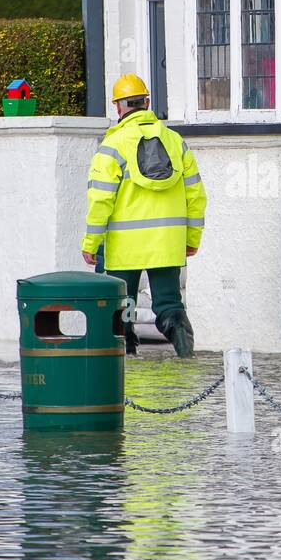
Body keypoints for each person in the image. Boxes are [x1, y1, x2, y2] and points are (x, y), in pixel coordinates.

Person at [82, 75, 206, 357]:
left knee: (121, 304)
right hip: (167, 243)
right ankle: (186, 359)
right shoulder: (175, 142)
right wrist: (191, 238)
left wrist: (91, 243)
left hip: (124, 247)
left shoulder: (112, 147)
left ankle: (126, 360)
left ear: (118, 108)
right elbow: (196, 195)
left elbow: (100, 199)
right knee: (171, 306)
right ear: (147, 102)